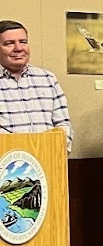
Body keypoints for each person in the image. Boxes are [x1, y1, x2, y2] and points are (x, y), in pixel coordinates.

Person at [0, 21, 72, 151]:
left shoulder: (47, 79)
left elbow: (63, 125)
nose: (18, 48)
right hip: (6, 165)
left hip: (48, 162)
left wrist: (56, 152)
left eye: (23, 42)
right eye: (9, 43)